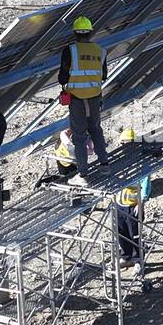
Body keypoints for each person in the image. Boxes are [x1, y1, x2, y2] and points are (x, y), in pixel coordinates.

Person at [58, 16, 110, 187]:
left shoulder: (70, 51)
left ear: (75, 33)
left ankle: (83, 175)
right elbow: (103, 76)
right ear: (90, 32)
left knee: (79, 136)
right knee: (95, 129)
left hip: (77, 100)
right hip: (95, 98)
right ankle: (104, 165)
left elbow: (62, 77)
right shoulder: (100, 51)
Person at [112, 128, 149, 268]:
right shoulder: (119, 161)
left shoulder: (140, 162)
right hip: (119, 204)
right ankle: (126, 257)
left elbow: (145, 185)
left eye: (128, 144)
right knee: (121, 233)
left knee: (135, 236)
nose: (125, 147)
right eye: (123, 144)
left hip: (133, 206)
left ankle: (138, 261)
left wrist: (141, 204)